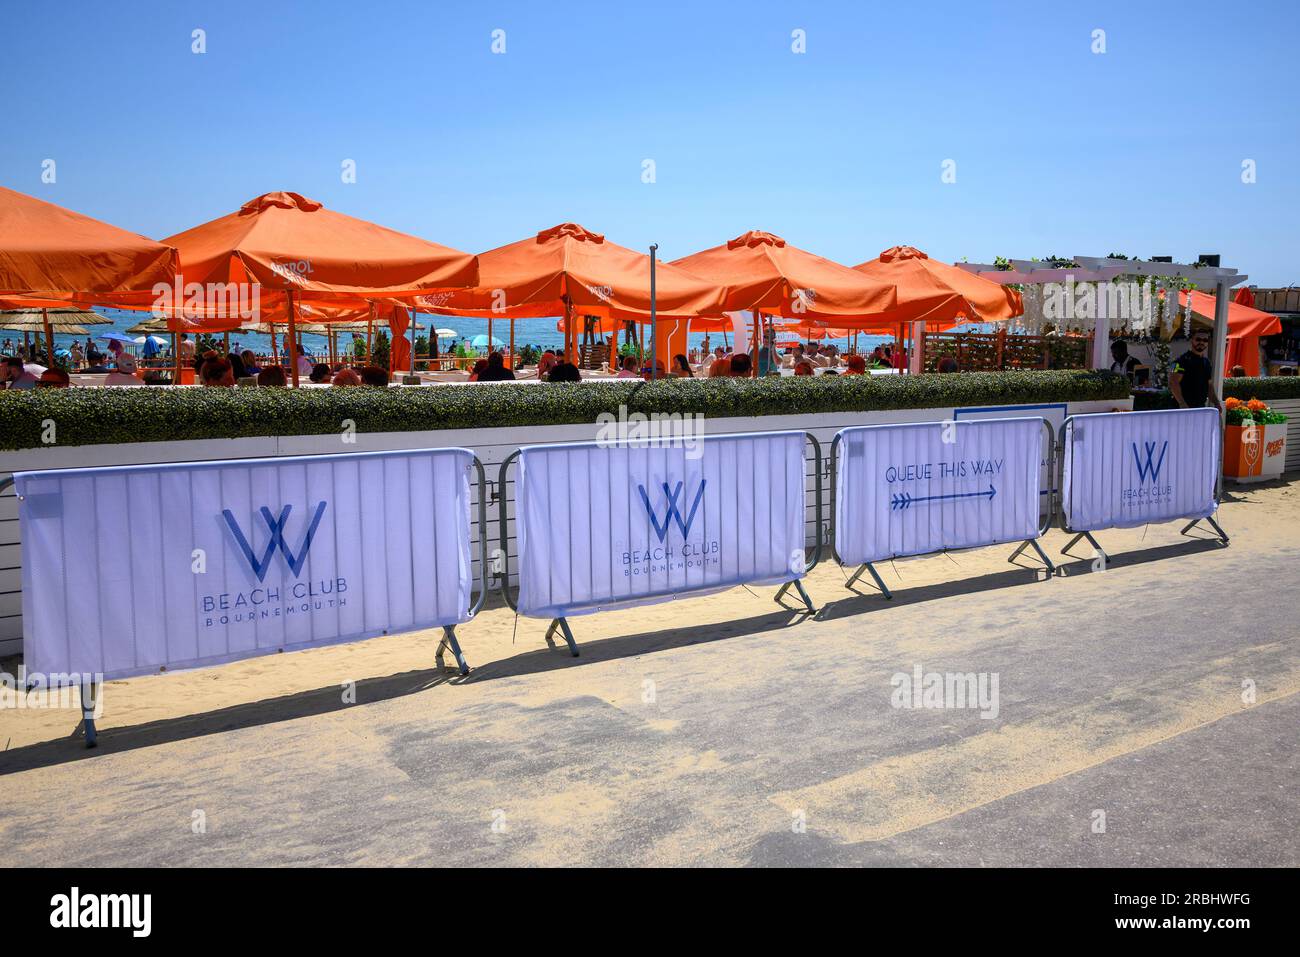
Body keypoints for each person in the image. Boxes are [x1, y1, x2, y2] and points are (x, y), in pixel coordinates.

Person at [1169, 328, 1219, 410]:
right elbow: (1172, 383)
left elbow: (1209, 385)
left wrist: (1216, 403)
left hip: (1200, 408)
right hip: (1182, 409)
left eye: (1205, 340)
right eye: (1198, 339)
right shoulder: (1179, 361)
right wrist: (1182, 404)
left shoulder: (1207, 363)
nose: (1201, 342)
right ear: (1192, 340)